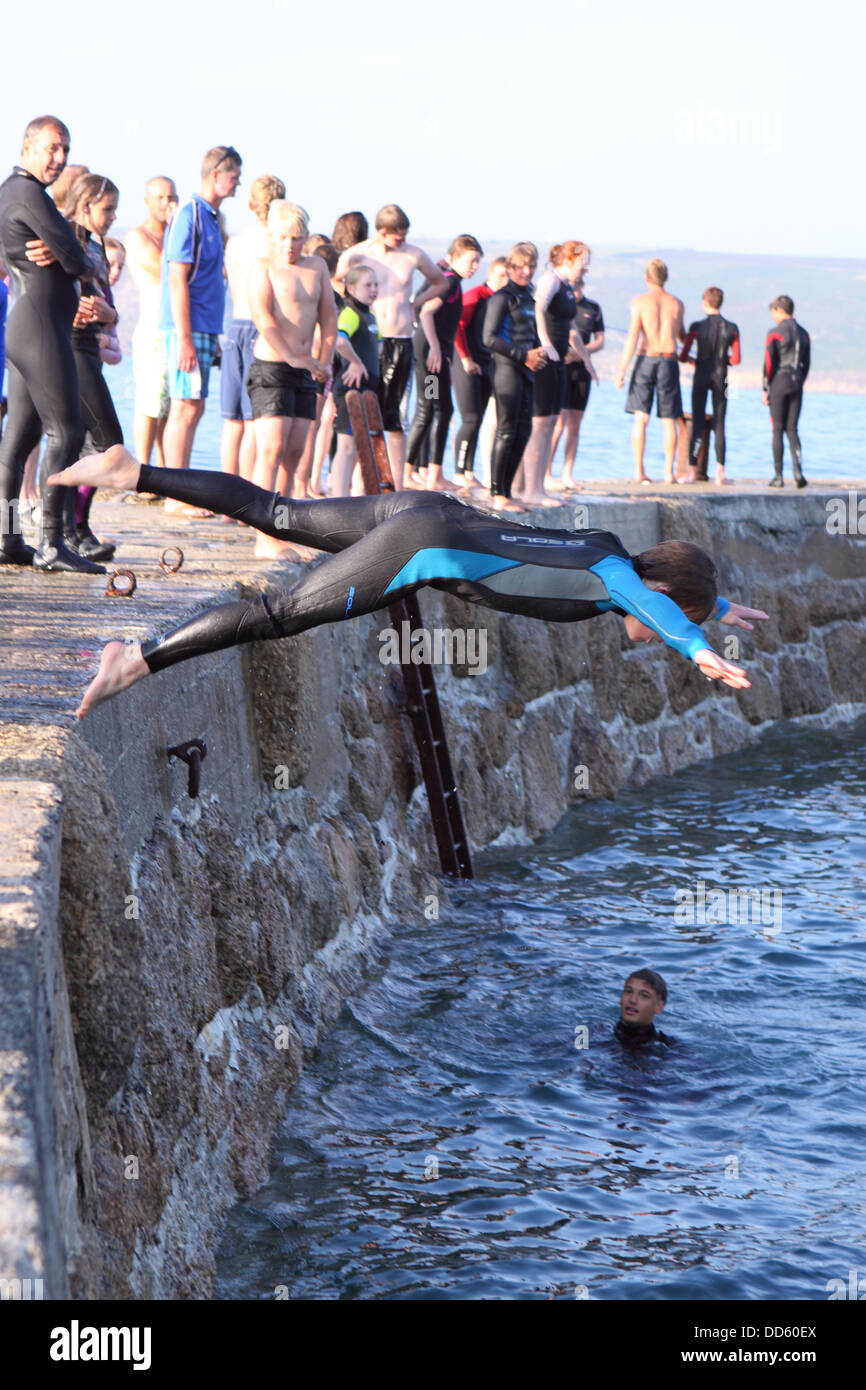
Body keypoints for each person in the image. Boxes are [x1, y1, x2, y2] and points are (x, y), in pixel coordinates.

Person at [51, 445, 767, 720]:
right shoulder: (620, 583)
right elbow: (651, 604)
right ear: (671, 600)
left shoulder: (608, 550)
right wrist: (698, 647)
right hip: (421, 546)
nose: (647, 636)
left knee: (279, 511)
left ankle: (130, 471)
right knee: (280, 612)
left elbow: (652, 590)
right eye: (676, 618)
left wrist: (722, 609)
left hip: (426, 510)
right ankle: (135, 660)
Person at [0, 114, 103, 571]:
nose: (60, 158)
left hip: (24, 326)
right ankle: (51, 544)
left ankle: (6, 539)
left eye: (65, 150)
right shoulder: (28, 195)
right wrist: (72, 256)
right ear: (28, 148)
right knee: (68, 432)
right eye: (52, 148)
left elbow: (71, 254)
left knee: (19, 439)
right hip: (40, 327)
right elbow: (80, 260)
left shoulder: (11, 193)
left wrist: (70, 253)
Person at [246, 200, 336, 556]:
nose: (289, 245)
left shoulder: (317, 267)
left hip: (308, 368)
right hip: (272, 366)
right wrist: (297, 357)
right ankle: (261, 534)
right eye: (283, 238)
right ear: (272, 236)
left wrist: (324, 360)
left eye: (296, 238)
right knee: (271, 449)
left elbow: (329, 318)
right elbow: (264, 319)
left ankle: (281, 527)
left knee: (296, 453)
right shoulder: (262, 267)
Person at [335, 205, 448, 488]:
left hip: (400, 340)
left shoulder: (413, 254)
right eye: (397, 236)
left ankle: (396, 483)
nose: (402, 240)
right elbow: (337, 282)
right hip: (369, 340)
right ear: (381, 232)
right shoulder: (359, 253)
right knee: (361, 414)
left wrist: (416, 304)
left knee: (394, 417)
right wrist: (350, 310)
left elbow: (439, 282)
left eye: (405, 235)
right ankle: (358, 483)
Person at [158, 145, 242, 515]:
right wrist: (186, 339)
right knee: (184, 407)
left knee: (195, 407)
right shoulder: (189, 214)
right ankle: (176, 496)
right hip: (185, 328)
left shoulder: (212, 217)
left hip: (206, 325)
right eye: (233, 175)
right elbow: (177, 280)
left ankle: (183, 490)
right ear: (215, 174)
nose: (237, 182)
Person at [65, 173, 123, 561]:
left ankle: (78, 529)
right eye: (107, 209)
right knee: (105, 444)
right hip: (66, 348)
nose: (113, 217)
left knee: (89, 444)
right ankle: (67, 531)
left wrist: (109, 314)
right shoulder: (64, 239)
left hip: (89, 350)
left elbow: (109, 308)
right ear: (85, 206)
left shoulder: (99, 247)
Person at [220, 174, 286, 490]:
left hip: (234, 326)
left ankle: (222, 497)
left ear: (250, 205)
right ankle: (245, 496)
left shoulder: (235, 241)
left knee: (231, 422)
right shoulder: (275, 243)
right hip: (261, 329)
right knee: (252, 422)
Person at [520, 241, 595, 507]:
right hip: (545, 360)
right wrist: (545, 342)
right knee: (540, 425)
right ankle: (531, 489)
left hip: (559, 362)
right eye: (581, 263)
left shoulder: (565, 287)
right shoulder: (550, 280)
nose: (584, 269)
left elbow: (572, 328)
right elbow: (538, 308)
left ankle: (539, 485)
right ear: (568, 259)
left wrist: (587, 361)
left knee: (551, 422)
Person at [405, 235, 482, 491]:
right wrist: (436, 349)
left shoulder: (452, 282)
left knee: (442, 409)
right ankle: (410, 473)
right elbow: (426, 312)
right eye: (471, 260)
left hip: (436, 354)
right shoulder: (449, 283)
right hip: (429, 353)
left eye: (478, 261)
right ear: (454, 258)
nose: (475, 266)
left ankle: (432, 473)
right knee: (428, 408)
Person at [483, 242, 548, 511]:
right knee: (507, 430)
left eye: (531, 266)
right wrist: (524, 355)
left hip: (526, 369)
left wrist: (537, 353)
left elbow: (530, 333)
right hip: (506, 368)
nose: (526, 271)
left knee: (524, 430)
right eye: (520, 267)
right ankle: (497, 493)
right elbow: (489, 338)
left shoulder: (528, 297)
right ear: (510, 268)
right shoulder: (502, 298)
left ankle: (507, 490)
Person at [616, 259, 685, 485]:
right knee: (669, 420)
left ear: (647, 278)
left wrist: (622, 370)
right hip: (668, 359)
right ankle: (668, 473)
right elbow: (682, 337)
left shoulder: (639, 303)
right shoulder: (677, 304)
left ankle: (639, 471)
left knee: (641, 417)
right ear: (665, 278)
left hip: (646, 358)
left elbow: (633, 337)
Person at [126, 176, 178, 470]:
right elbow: (168, 271)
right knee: (150, 401)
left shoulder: (175, 234)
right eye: (159, 198)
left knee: (169, 405)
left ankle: (164, 468)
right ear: (147, 201)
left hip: (174, 328)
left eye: (170, 197)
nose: (166, 203)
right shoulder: (139, 236)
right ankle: (143, 468)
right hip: (152, 329)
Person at [452, 255, 508, 494]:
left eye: (508, 276)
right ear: (491, 275)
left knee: (479, 418)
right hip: (465, 362)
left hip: (486, 364)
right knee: (470, 418)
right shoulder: (477, 295)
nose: (504, 281)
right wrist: (466, 358)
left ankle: (469, 472)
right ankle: (459, 471)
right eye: (500, 276)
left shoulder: (504, 300)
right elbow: (458, 327)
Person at [548, 256, 604, 492]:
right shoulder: (561, 303)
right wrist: (567, 352)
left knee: (574, 424)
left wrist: (582, 355)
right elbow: (563, 333)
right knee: (557, 423)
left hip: (581, 368)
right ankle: (547, 471)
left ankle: (567, 472)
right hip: (562, 365)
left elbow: (599, 341)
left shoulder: (592, 308)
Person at [679, 287, 740, 486]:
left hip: (701, 374)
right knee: (720, 423)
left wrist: (693, 361)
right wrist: (724, 360)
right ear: (720, 302)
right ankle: (720, 473)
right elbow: (736, 359)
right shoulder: (732, 328)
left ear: (705, 302)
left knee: (697, 423)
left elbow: (683, 355)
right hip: (722, 376)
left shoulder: (697, 326)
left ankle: (691, 471)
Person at [330, 263, 380, 496]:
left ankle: (358, 496)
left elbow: (376, 346)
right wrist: (356, 363)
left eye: (376, 285)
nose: (373, 289)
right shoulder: (350, 312)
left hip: (368, 388)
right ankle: (339, 498)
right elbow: (340, 341)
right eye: (367, 285)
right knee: (347, 446)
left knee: (363, 446)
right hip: (350, 387)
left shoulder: (370, 315)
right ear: (350, 288)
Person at [762, 295, 809, 489]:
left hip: (779, 382)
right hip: (797, 381)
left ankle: (778, 476)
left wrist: (766, 388)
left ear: (780, 310)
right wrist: (799, 380)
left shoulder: (775, 333)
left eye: (773, 312)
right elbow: (807, 363)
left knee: (777, 429)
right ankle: (798, 473)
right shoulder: (804, 334)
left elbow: (769, 363)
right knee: (792, 429)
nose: (773, 317)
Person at [614, 970, 671, 1048]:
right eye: (628, 991)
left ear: (659, 1007)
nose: (632, 1000)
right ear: (621, 999)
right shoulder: (597, 1033)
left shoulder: (668, 1048)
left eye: (644, 995)